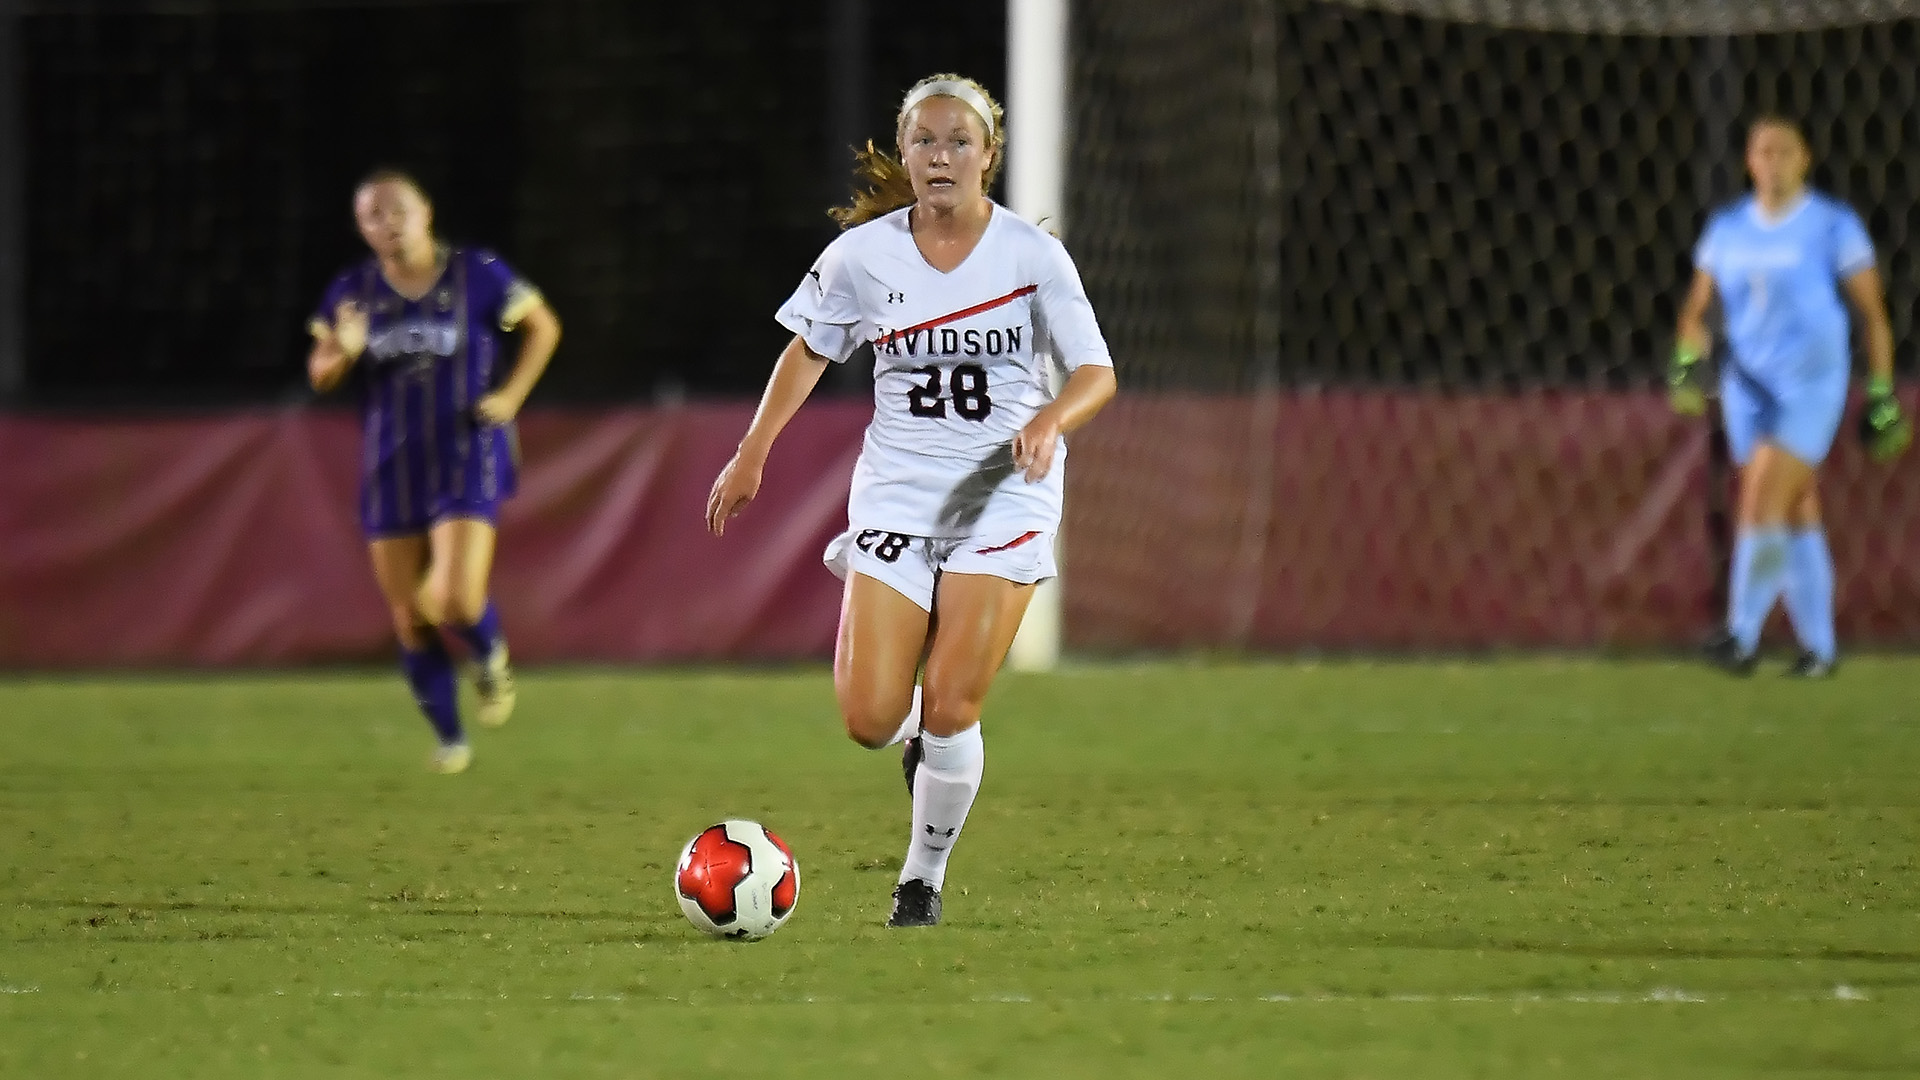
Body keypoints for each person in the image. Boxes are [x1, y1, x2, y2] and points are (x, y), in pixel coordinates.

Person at [706, 73, 1118, 926]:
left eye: (958, 141)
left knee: (954, 699)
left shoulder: (1032, 257)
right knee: (868, 717)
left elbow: (1096, 372)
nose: (941, 155)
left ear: (989, 157)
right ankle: (919, 751)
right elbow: (808, 351)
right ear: (906, 155)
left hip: (1004, 490)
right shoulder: (863, 256)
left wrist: (1050, 418)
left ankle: (920, 880)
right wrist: (752, 451)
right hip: (899, 494)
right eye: (925, 140)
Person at [307, 169, 562, 772]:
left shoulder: (476, 272)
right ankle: (450, 739)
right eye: (372, 215)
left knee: (454, 596)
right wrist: (341, 349)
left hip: (466, 449)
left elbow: (543, 326)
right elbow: (320, 374)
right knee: (409, 613)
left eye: (397, 209)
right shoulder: (354, 291)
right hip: (391, 462)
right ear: (361, 227)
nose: (387, 224)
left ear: (425, 212)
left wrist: (510, 397)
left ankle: (489, 655)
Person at [1670, 116, 1906, 677]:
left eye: (1784, 152)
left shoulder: (1831, 225)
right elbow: (1696, 312)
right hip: (1747, 387)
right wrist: (1686, 362)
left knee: (1761, 497)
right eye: (1762, 152)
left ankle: (1742, 637)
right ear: (1749, 162)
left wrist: (1880, 390)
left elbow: (1872, 315)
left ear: (1805, 160)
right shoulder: (1727, 228)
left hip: (1812, 383)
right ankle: (1819, 650)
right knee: (1797, 508)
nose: (1773, 162)